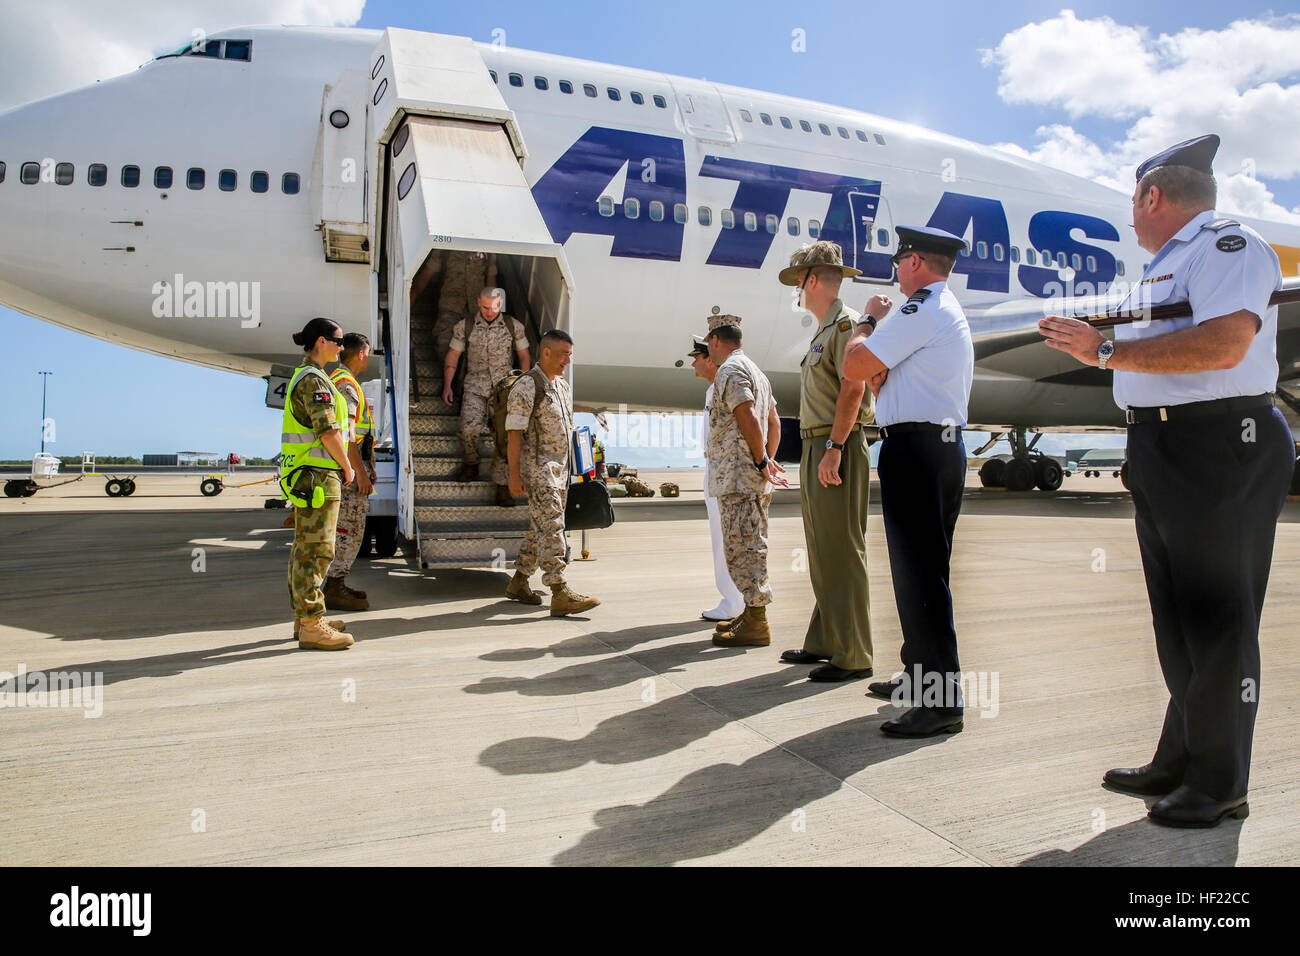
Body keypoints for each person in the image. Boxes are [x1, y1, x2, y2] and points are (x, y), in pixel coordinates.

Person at [1038, 134, 1292, 828]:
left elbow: (1228, 341)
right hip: (1165, 443)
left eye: (1133, 202)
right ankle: (1180, 755)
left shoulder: (1228, 246)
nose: (1130, 216)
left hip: (1221, 442)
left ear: (1154, 196)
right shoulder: (1166, 264)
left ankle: (1220, 783)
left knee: (1218, 624)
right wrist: (1094, 338)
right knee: (1177, 621)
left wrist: (1107, 348)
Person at [842, 226, 973, 736]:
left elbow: (856, 365)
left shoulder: (920, 309)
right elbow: (875, 376)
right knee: (917, 571)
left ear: (915, 261)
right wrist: (876, 365)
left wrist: (868, 321)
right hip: (926, 446)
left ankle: (941, 703)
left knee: (921, 576)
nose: (895, 271)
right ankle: (920, 676)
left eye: (899, 261)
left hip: (919, 449)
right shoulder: (933, 310)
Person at [776, 241, 877, 682]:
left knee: (843, 549)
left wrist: (834, 448)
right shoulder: (824, 330)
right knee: (823, 549)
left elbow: (854, 389)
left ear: (812, 279)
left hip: (838, 445)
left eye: (799, 281)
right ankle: (825, 640)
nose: (796, 289)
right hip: (819, 445)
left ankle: (854, 654)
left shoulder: (845, 326)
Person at [503, 329, 600, 616]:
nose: (566, 361)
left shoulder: (562, 387)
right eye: (562, 355)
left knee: (539, 529)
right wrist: (514, 475)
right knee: (553, 528)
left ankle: (519, 582)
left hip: (561, 471)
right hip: (539, 472)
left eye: (570, 355)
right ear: (545, 352)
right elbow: (513, 434)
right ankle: (559, 590)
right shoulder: (526, 387)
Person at [705, 315, 788, 648]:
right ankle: (750, 615)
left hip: (739, 477)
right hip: (748, 476)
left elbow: (748, 414)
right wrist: (766, 459)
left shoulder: (729, 370)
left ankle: (757, 621)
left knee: (744, 548)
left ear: (715, 340)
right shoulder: (757, 372)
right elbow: (774, 421)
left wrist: (759, 460)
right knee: (750, 543)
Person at [280, 317, 356, 651]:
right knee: (317, 550)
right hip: (318, 477)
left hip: (308, 476)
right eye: (338, 342)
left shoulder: (310, 376)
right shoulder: (314, 380)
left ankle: (306, 616)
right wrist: (348, 465)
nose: (342, 348)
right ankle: (312, 623)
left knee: (305, 548)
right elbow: (328, 432)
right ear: (322, 342)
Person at [444, 287, 531, 504]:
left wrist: (524, 384)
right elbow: (453, 355)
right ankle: (471, 462)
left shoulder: (513, 326)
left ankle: (502, 485)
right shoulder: (465, 326)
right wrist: (448, 385)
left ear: (500, 304)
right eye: (484, 307)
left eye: (493, 308)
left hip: (504, 390)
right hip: (475, 386)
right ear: (478, 303)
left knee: (504, 437)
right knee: (468, 428)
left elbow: (524, 356)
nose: (489, 312)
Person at [688, 335, 744, 622]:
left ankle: (734, 602)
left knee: (725, 537)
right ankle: (737, 600)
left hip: (725, 471)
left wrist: (762, 460)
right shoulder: (713, 390)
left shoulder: (725, 384)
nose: (693, 363)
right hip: (718, 468)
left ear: (709, 358)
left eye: (696, 357)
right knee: (724, 536)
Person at [323, 332, 376, 612]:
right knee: (349, 530)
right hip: (350, 476)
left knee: (347, 529)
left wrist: (371, 466)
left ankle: (336, 583)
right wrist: (361, 473)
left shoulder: (344, 382)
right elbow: (349, 436)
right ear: (361, 354)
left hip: (354, 468)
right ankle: (334, 586)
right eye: (368, 352)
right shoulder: (347, 385)